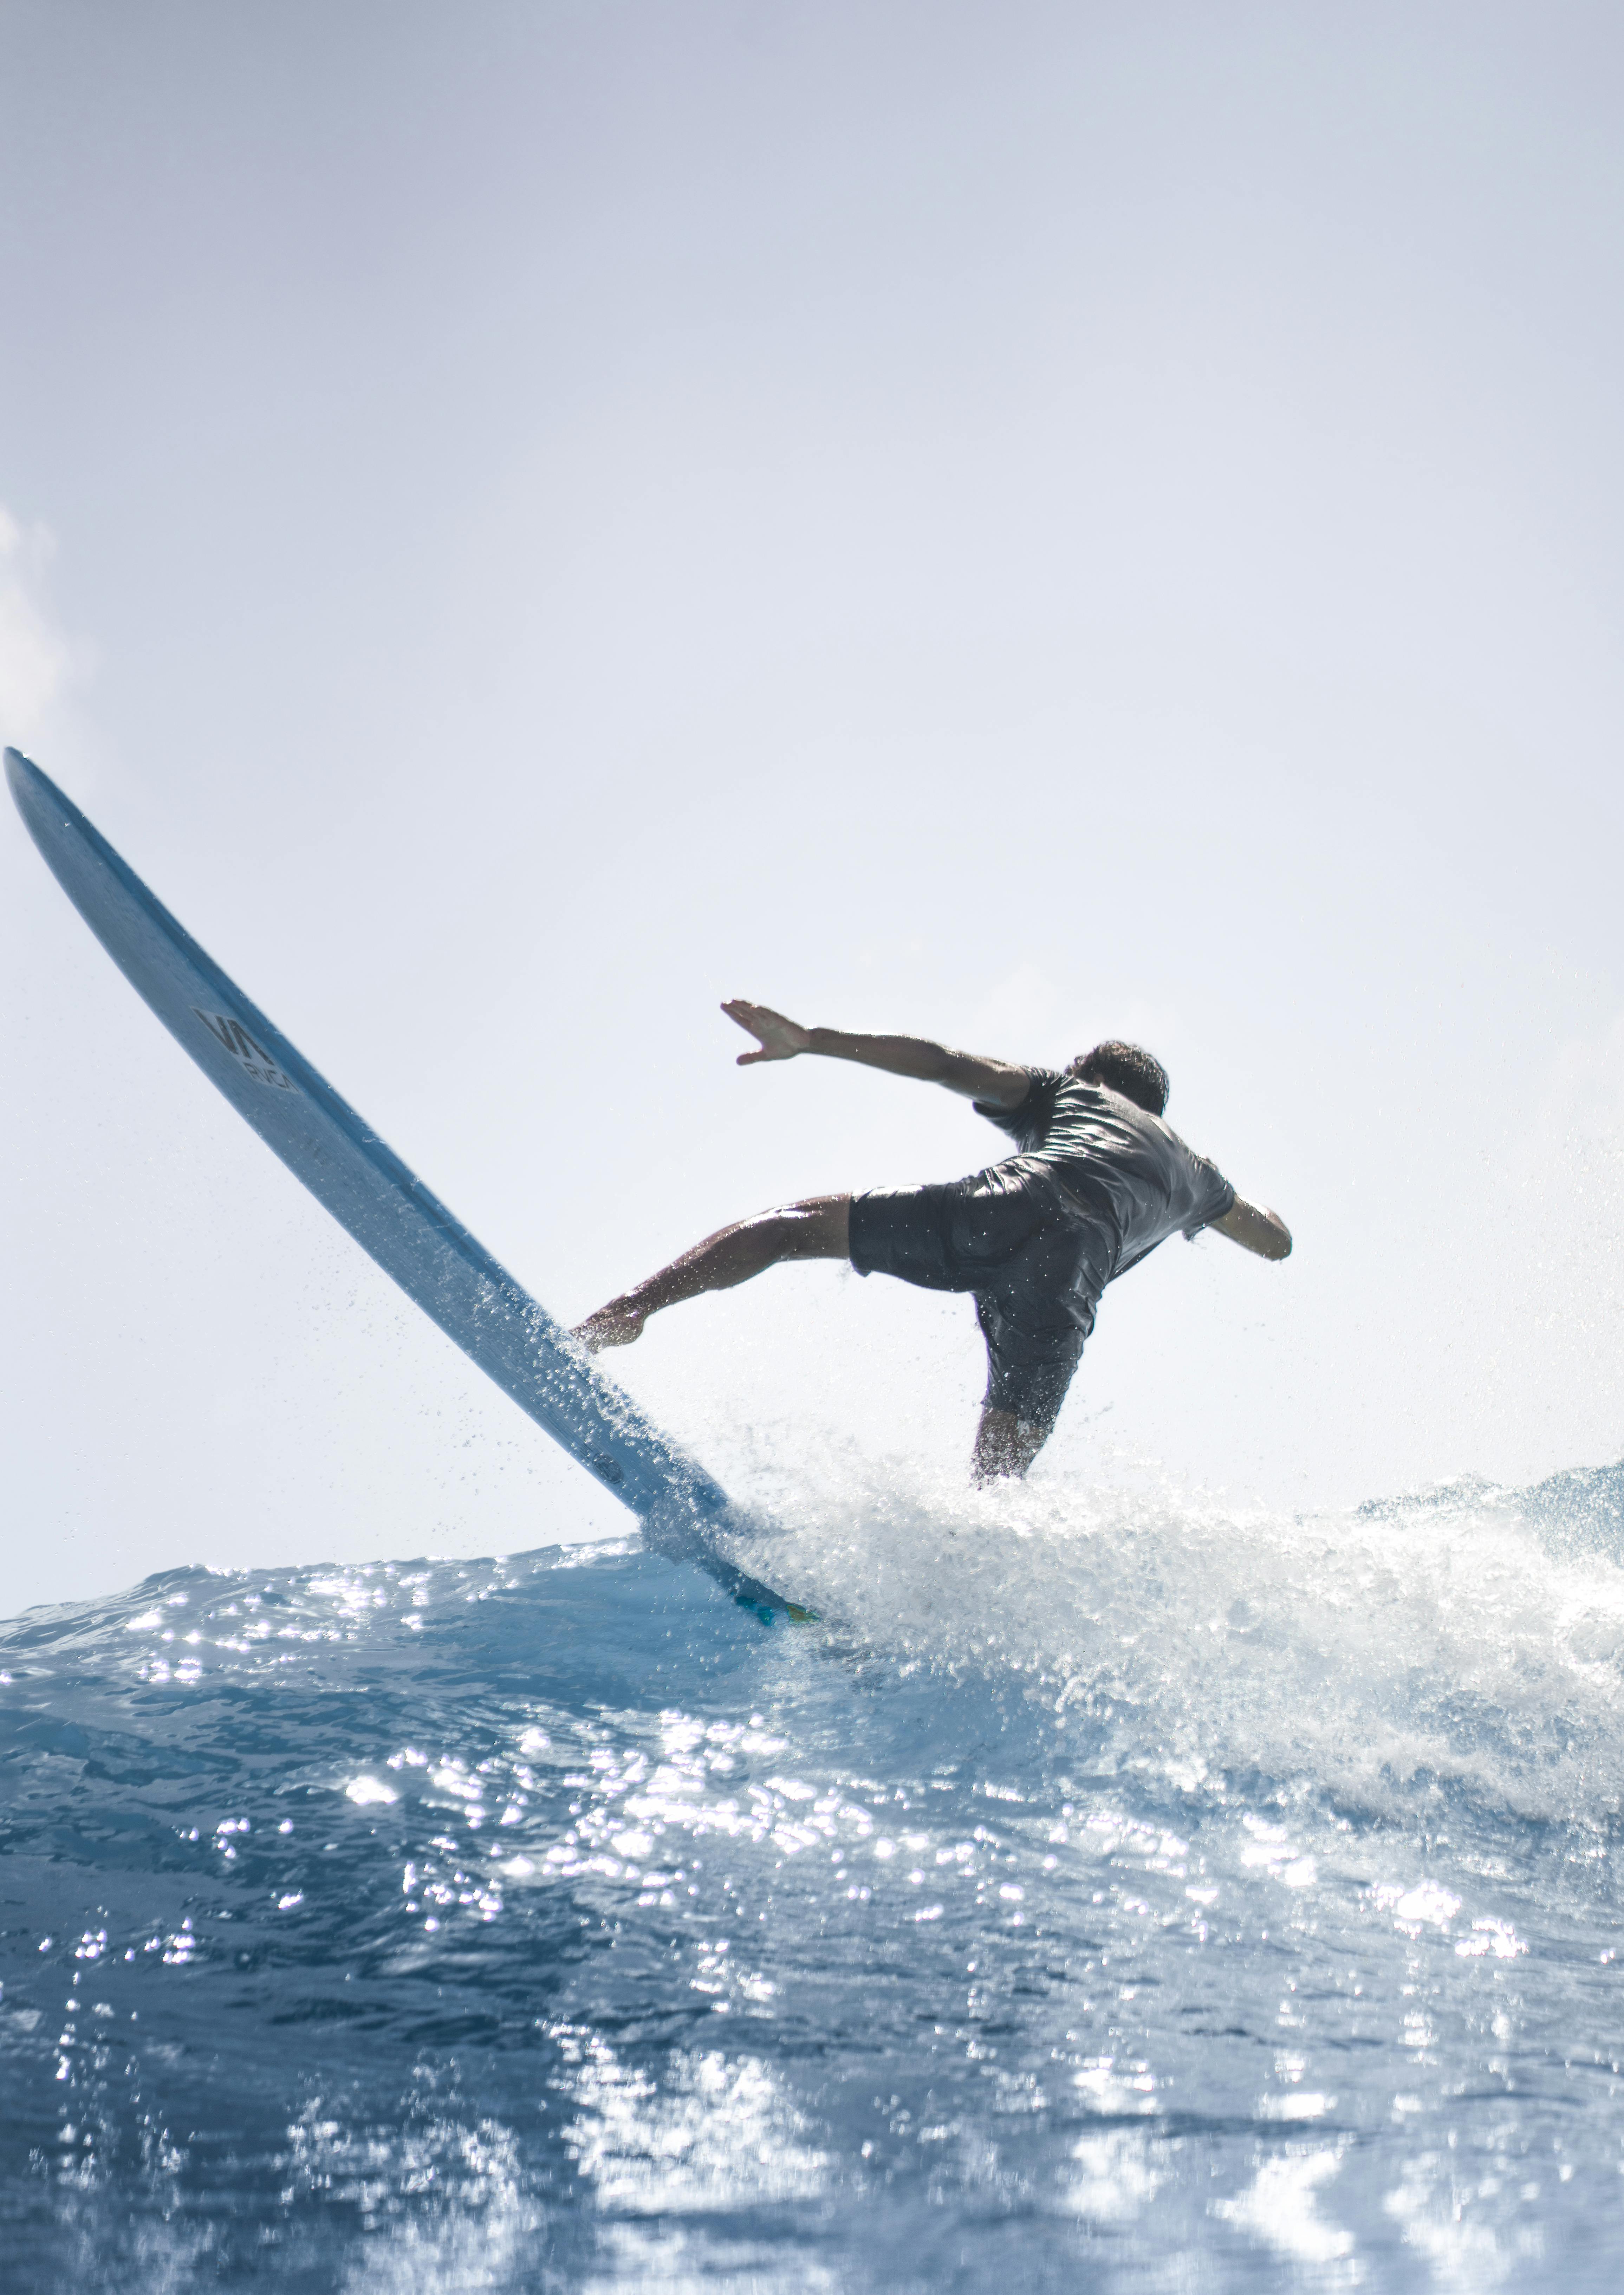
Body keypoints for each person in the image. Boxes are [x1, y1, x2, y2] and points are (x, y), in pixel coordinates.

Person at [575, 1000, 1292, 1482]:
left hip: (1016, 1203)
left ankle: (625, 1312)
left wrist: (813, 1042)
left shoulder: (1075, 1093)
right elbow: (1275, 1241)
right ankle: (950, 1592)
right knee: (998, 1477)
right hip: (1069, 1283)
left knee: (787, 1229)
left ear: (1094, 1076)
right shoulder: (1195, 1173)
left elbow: (949, 1064)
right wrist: (1214, 1188)